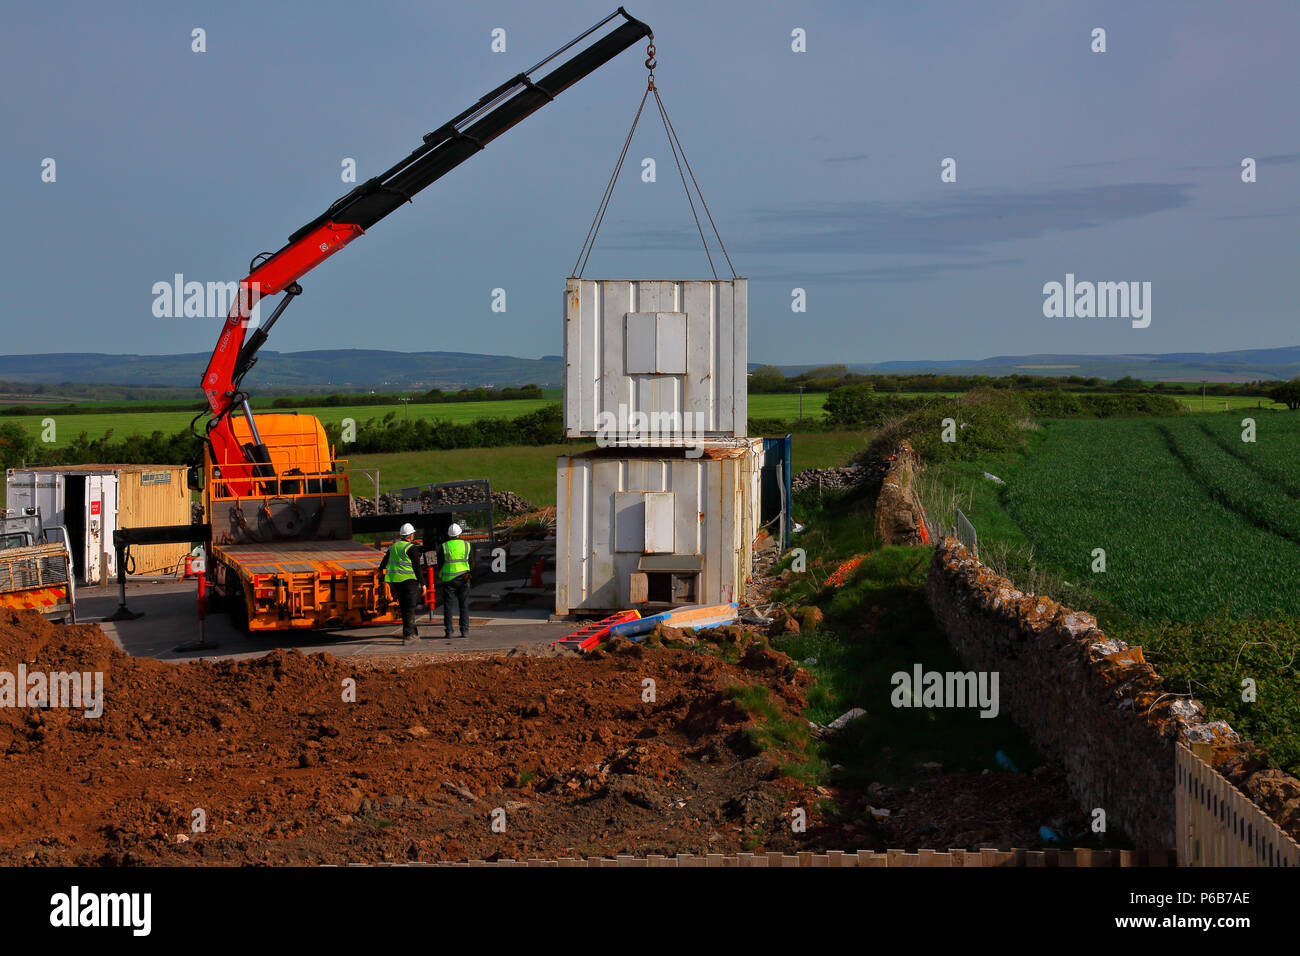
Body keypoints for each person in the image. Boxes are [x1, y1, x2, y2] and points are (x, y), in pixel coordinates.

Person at [379, 522, 426, 643]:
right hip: (409, 582)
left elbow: (382, 565)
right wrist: (423, 583)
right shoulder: (412, 548)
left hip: (395, 583)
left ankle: (412, 633)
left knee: (405, 608)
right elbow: (417, 568)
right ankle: (408, 636)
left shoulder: (393, 547)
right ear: (410, 536)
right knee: (410, 608)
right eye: (413, 534)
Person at [438, 523, 472, 638]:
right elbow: (472, 562)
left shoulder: (444, 546)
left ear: (449, 535)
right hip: (464, 578)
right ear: (460, 534)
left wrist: (441, 577)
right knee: (464, 605)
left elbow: (440, 564)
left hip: (449, 580)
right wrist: (469, 574)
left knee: (448, 606)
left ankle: (449, 632)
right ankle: (465, 631)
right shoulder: (467, 545)